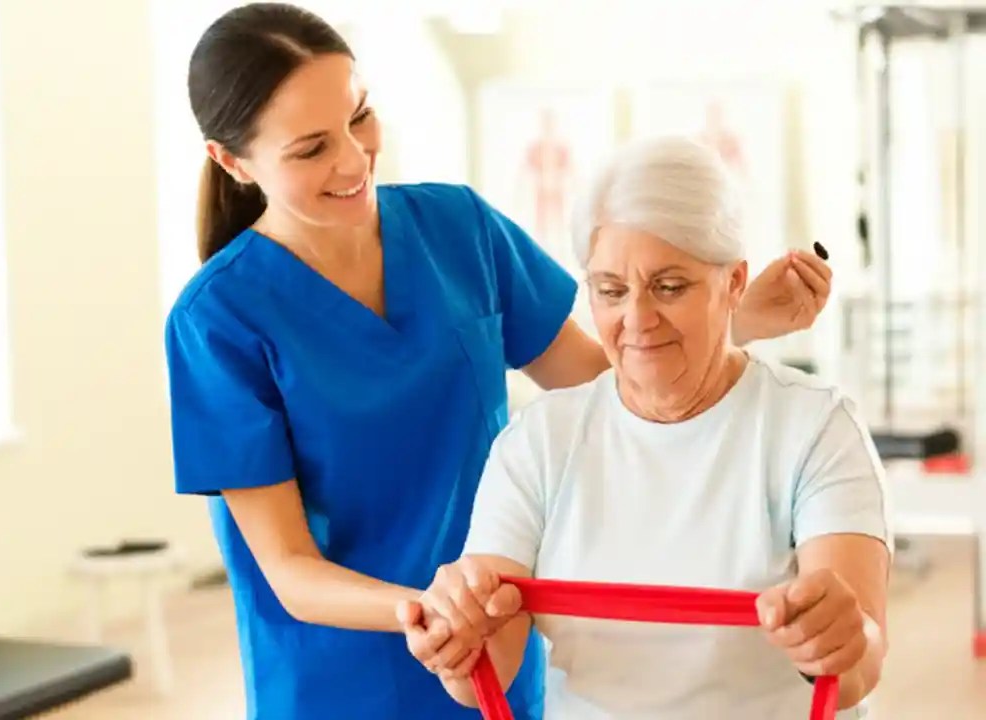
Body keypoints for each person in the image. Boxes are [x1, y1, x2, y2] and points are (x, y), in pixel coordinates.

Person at [165, 3, 835, 718]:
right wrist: (437, 610)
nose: (355, 159)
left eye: (361, 117)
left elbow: (600, 382)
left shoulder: (458, 229)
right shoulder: (217, 321)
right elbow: (290, 570)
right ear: (231, 160)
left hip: (494, 652)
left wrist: (735, 317)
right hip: (339, 677)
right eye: (311, 148)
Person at [405, 136, 889, 719]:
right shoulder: (538, 443)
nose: (636, 319)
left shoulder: (815, 427)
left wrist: (838, 637)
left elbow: (859, 663)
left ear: (734, 282)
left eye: (669, 287)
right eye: (610, 291)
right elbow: (488, 663)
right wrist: (456, 636)